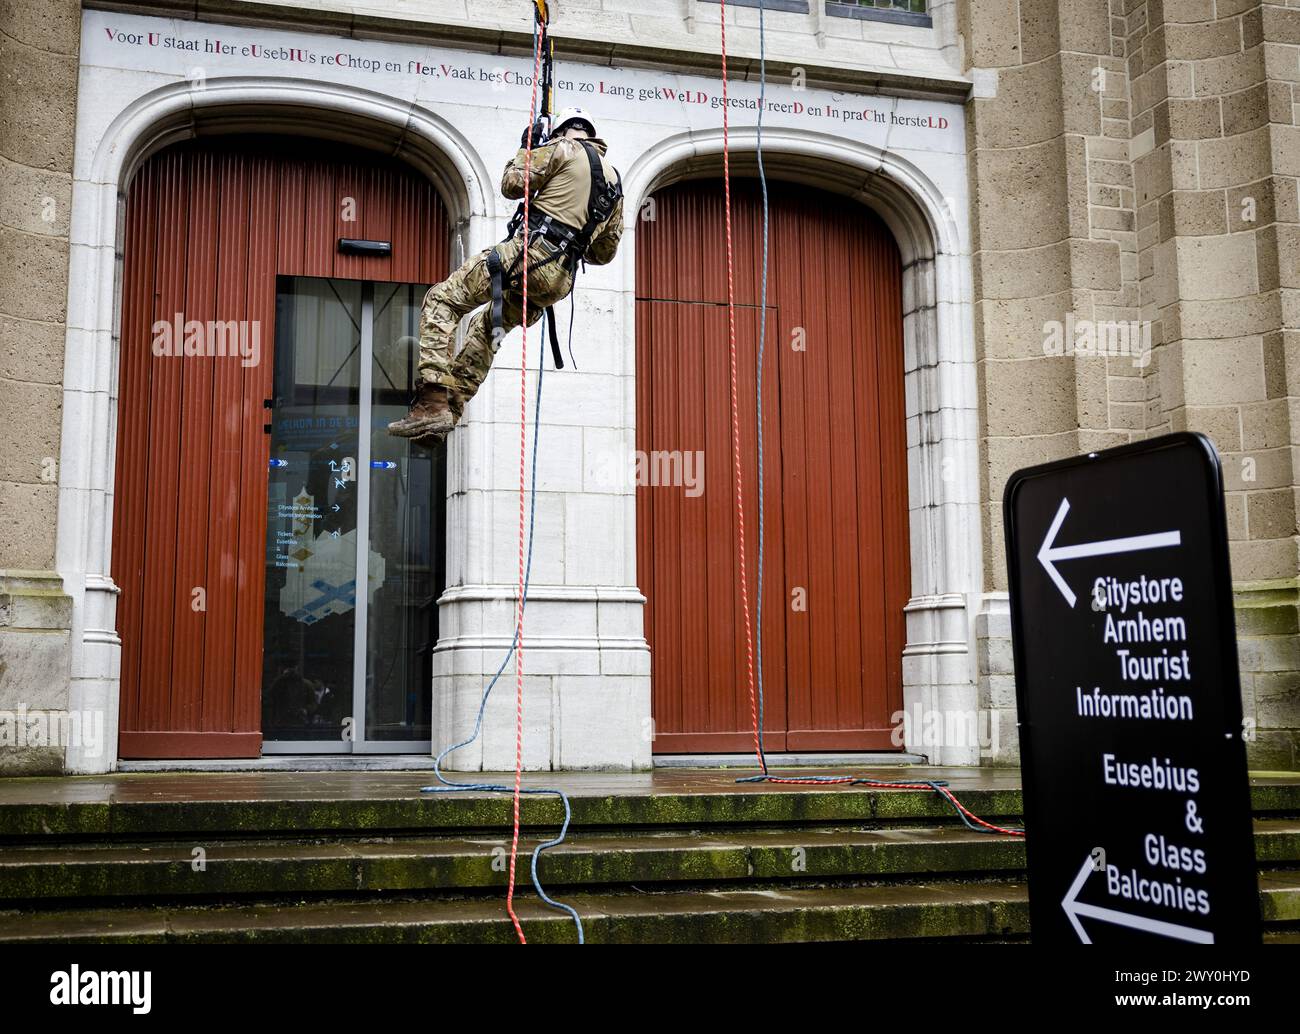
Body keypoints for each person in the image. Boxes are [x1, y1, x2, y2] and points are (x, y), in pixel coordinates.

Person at [388, 106, 624, 444]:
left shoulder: (561, 149)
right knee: (488, 329)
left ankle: (432, 399)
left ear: (560, 132)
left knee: (443, 299)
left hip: (526, 257)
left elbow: (513, 185)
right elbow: (604, 253)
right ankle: (449, 413)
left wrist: (527, 149)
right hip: (558, 281)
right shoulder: (615, 183)